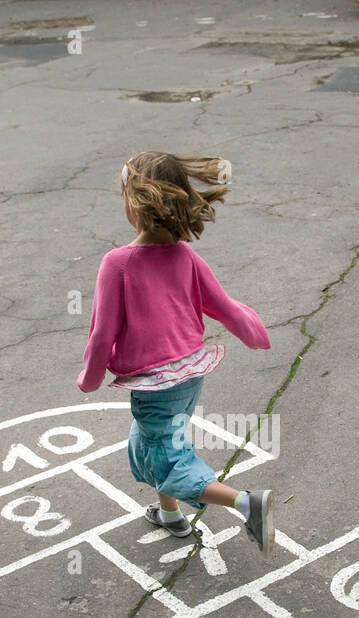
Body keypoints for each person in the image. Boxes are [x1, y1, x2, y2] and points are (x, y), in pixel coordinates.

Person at [77, 152, 276, 554]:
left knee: (169, 459)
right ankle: (170, 514)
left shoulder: (118, 263)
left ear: (134, 204)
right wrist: (252, 333)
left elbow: (102, 333)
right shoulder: (185, 255)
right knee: (148, 442)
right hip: (190, 373)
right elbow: (224, 305)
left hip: (155, 382)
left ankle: (245, 503)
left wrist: (90, 377)